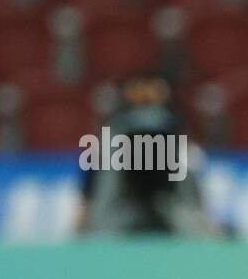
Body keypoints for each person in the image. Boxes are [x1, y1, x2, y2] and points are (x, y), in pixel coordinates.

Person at [77, 72, 219, 236]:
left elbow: (196, 203)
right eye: (139, 96)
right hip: (116, 220)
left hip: (172, 218)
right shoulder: (104, 147)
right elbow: (85, 201)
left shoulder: (185, 148)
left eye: (151, 98)